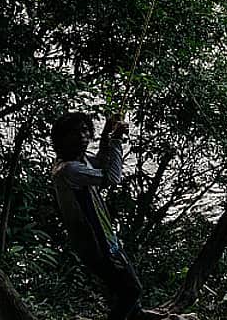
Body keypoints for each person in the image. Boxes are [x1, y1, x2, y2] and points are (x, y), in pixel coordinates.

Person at [51, 112, 158, 320]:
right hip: (96, 244)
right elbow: (111, 177)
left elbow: (100, 161)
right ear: (61, 139)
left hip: (106, 240)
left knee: (127, 294)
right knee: (132, 290)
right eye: (74, 133)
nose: (82, 136)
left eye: (84, 131)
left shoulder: (76, 161)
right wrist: (116, 140)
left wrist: (106, 134)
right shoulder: (69, 169)